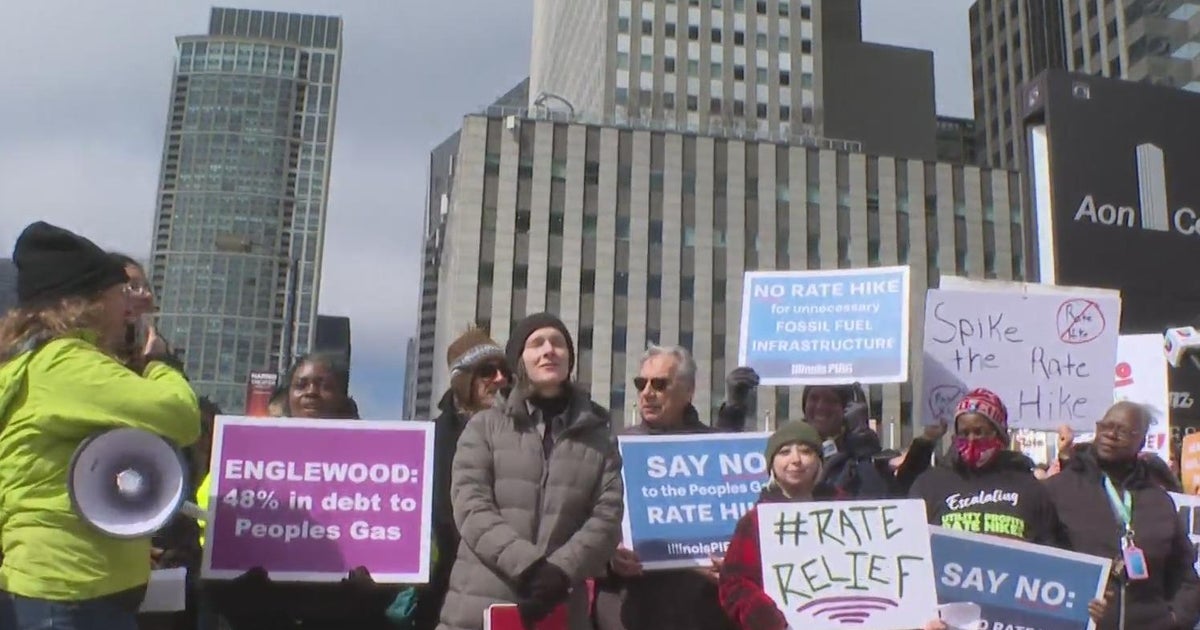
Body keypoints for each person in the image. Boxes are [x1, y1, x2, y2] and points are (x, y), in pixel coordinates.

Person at [0, 221, 201, 630]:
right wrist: (162, 365)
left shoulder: (29, 365)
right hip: (74, 589)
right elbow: (180, 416)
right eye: (119, 294)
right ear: (87, 302)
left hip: (52, 581)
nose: (128, 307)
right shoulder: (66, 364)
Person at [438, 312, 623, 630]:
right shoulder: (484, 428)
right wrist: (531, 567)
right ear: (520, 361)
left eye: (558, 343)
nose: (549, 350)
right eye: (537, 343)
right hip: (476, 610)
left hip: (561, 609)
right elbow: (470, 506)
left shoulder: (600, 439)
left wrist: (560, 572)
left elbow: (606, 520)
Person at [204, 354, 395, 630]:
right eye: (301, 384)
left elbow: (402, 532)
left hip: (345, 612)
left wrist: (383, 580)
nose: (311, 392)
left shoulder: (375, 460)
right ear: (289, 393)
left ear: (342, 396)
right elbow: (212, 510)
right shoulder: (249, 454)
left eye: (323, 385)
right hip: (264, 609)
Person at [594, 345, 733, 630]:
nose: (647, 392)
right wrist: (609, 557)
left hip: (700, 612)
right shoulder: (611, 449)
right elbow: (583, 522)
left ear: (689, 390)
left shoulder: (718, 451)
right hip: (629, 610)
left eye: (659, 384)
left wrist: (732, 565)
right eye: (640, 383)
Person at [1045, 401, 1200, 630]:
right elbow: (1041, 558)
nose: (1110, 435)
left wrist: (1177, 618)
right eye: (1105, 426)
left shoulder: (1158, 500)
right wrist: (1075, 597)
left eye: (1123, 431)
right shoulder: (1058, 489)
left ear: (1141, 440)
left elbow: (1183, 571)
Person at [414, 327, 510, 630]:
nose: (500, 379)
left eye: (504, 370)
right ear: (462, 380)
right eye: (487, 371)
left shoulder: (525, 433)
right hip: (446, 595)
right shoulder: (429, 439)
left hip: (510, 588)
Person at [909, 388, 1059, 544]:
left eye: (979, 432)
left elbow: (1050, 548)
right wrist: (925, 441)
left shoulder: (1030, 489)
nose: (971, 440)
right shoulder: (931, 484)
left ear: (998, 434)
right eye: (964, 433)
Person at [718, 420, 827, 629]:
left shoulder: (847, 511)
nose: (796, 460)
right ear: (771, 465)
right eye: (784, 452)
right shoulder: (754, 522)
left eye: (806, 451)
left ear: (818, 462)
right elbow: (734, 585)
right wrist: (771, 622)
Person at [802, 384, 942, 498]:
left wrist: (861, 440)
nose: (820, 407)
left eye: (830, 401)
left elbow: (895, 491)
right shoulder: (789, 451)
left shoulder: (869, 457)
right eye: (814, 399)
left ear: (848, 409)